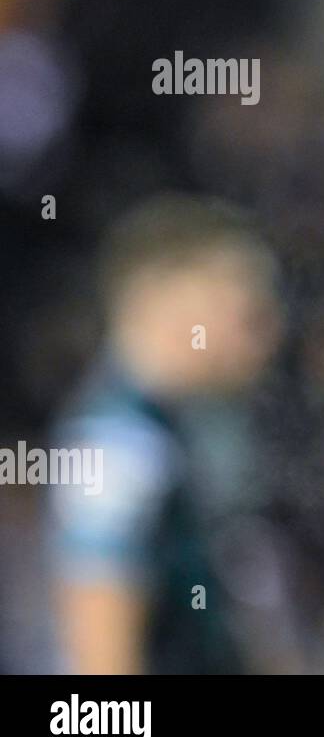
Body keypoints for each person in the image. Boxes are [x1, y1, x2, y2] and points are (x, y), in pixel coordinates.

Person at [47, 193, 285, 674]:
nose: (270, 332)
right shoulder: (116, 445)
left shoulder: (197, 424)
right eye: (245, 309)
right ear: (163, 297)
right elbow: (102, 660)